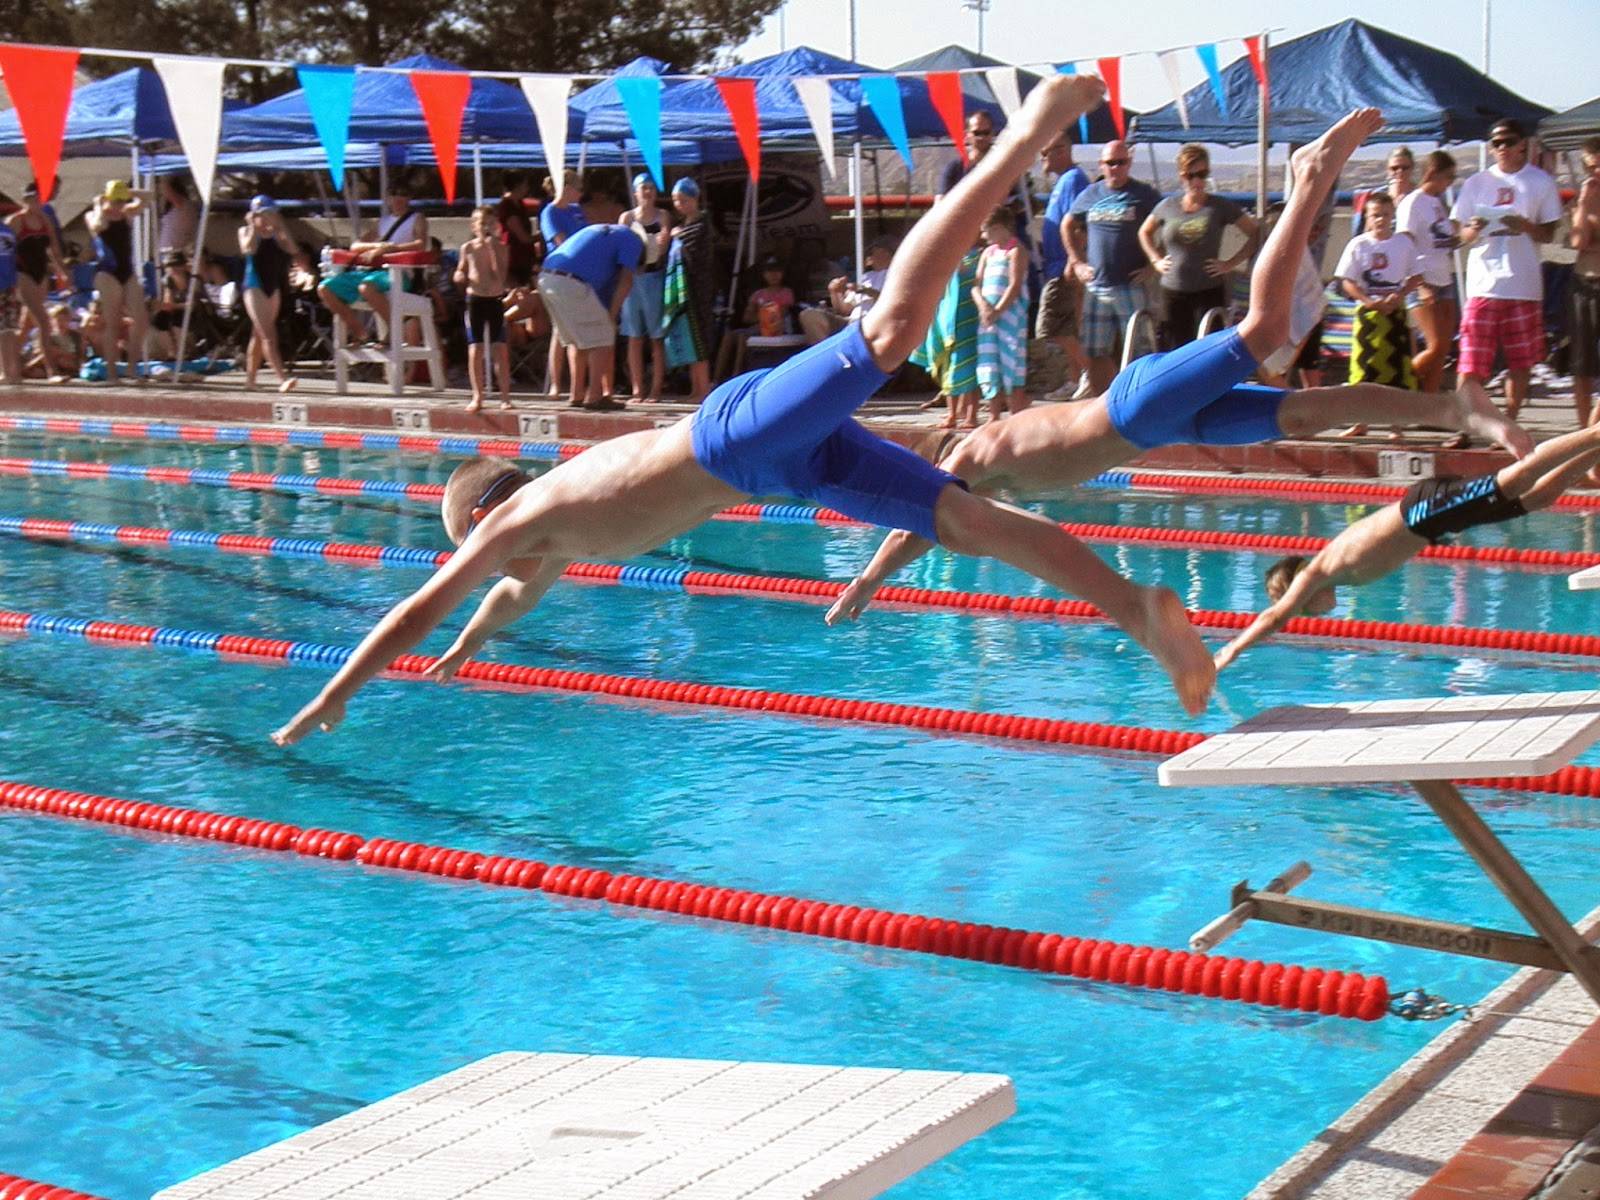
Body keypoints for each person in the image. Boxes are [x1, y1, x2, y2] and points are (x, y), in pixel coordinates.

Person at [269, 75, 1219, 747]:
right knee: (967, 520)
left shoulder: (522, 521)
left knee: (890, 334)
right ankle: (1140, 611)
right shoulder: (539, 554)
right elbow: (483, 613)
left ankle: (1019, 143)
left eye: (464, 548)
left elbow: (417, 609)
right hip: (777, 467)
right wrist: (461, 657)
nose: (476, 571)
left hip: (735, 434)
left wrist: (336, 693)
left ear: (483, 519)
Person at [825, 109, 1536, 628]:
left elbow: (917, 519)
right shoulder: (990, 466)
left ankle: (1309, 179)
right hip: (1154, 420)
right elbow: (929, 517)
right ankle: (1451, 409)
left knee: (1263, 328)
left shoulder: (977, 450)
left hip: (1136, 406)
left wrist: (866, 579)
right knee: (1302, 412)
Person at [1215, 419, 1600, 670]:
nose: (1302, 614)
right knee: (1534, 498)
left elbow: (1273, 617)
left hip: (1425, 511)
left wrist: (1229, 651)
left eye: (1296, 606)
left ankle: (1595, 435)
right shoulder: (1332, 571)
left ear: (1294, 585)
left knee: (1517, 479)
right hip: (1433, 521)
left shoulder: (1316, 572)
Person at [1450, 117, 1562, 422]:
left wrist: (1523, 225)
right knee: (1471, 362)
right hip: (1483, 283)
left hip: (1522, 284)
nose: (1502, 148)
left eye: (1508, 141)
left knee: (1520, 361)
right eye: (1496, 142)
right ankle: (1467, 424)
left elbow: (1549, 234)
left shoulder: (1540, 182)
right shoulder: (1476, 183)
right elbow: (1459, 236)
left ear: (1522, 144)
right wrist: (1474, 229)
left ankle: (1509, 420)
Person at [1138, 143, 1257, 350]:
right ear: (1181, 176)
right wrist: (1156, 260)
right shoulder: (1167, 207)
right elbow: (1144, 232)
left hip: (1208, 290)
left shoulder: (1219, 206)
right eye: (1189, 176)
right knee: (1173, 348)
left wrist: (1230, 263)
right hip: (1173, 290)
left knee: (1208, 349)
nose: (1196, 181)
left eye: (1201, 174)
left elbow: (1254, 233)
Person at [1068, 140, 1162, 394]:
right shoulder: (1091, 194)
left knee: (1140, 348)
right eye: (1110, 163)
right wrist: (1076, 261)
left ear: (1129, 164)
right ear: (1102, 164)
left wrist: (1153, 265)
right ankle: (1102, 403)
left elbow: (1164, 226)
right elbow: (1067, 224)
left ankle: (1140, 400)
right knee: (1096, 350)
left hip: (1130, 284)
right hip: (1097, 286)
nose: (1115, 168)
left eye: (1121, 162)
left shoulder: (1143, 194)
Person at [536, 223, 641, 412]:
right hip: (571, 281)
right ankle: (594, 396)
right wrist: (612, 316)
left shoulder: (608, 233)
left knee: (577, 339)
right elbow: (626, 279)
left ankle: (576, 394)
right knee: (603, 336)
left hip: (547, 276)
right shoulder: (633, 241)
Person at [1333, 191, 1420, 397]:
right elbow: (1347, 281)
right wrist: (1367, 301)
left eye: (1386, 214)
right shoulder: (1358, 245)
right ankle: (1359, 421)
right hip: (1368, 315)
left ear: (1392, 216)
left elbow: (1416, 277)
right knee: (1363, 367)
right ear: (1368, 217)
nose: (1381, 219)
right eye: (1375, 215)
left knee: (1397, 368)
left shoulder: (1404, 243)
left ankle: (1396, 425)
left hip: (1395, 312)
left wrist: (1399, 295)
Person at [318, 183, 428, 344]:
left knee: (366, 287)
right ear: (388, 198)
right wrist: (379, 247)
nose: (398, 198)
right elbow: (356, 246)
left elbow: (420, 244)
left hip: (399, 273)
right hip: (372, 271)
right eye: (394, 194)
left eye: (403, 194)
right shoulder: (382, 221)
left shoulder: (417, 219)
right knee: (325, 288)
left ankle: (394, 332)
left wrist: (392, 248)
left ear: (409, 198)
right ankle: (359, 331)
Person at [1396, 150, 1461, 395]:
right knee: (1434, 346)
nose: (1450, 184)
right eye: (1449, 177)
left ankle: (1429, 400)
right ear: (1433, 173)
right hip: (1424, 279)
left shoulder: (1438, 204)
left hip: (1444, 277)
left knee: (1443, 348)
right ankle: (1395, 389)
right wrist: (1420, 284)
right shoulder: (1413, 203)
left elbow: (1442, 241)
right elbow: (1406, 244)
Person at [1036, 129, 1091, 400]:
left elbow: (1080, 223)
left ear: (1062, 151)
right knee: (1067, 327)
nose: (1042, 158)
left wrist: (1074, 258)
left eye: (1045, 153)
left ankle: (1092, 373)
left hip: (1065, 267)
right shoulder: (1062, 183)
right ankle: (1074, 379)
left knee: (1051, 327)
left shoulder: (1074, 180)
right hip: (1055, 264)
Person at [87, 180, 152, 383]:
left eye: (120, 201)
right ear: (107, 199)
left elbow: (148, 197)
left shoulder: (127, 213)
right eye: (115, 201)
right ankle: (112, 372)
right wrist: (99, 205)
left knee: (141, 320)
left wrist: (128, 191)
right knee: (113, 323)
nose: (118, 205)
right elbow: (98, 226)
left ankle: (132, 368)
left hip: (128, 271)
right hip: (107, 273)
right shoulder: (94, 214)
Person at [238, 196, 301, 394]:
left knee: (258, 336)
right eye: (264, 215)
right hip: (254, 288)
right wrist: (253, 226)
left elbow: (293, 249)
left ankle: (250, 380)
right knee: (269, 336)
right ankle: (282, 379)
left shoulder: (276, 234)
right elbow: (248, 249)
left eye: (271, 214)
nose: (268, 219)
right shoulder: (245, 231)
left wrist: (281, 226)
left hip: (272, 288)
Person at [619, 173, 672, 403]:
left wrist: (664, 241)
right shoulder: (627, 218)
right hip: (632, 282)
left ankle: (656, 391)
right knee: (634, 338)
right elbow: (619, 251)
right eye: (644, 188)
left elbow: (664, 249)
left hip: (654, 279)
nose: (648, 192)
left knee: (656, 338)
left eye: (651, 188)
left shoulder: (663, 216)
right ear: (635, 192)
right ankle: (637, 390)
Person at [974, 204, 1029, 422]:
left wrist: (998, 310)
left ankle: (1015, 416)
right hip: (988, 319)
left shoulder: (1017, 251)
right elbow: (976, 284)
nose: (983, 236)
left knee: (1011, 362)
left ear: (997, 227)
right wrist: (983, 307)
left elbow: (1014, 285)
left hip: (1010, 318)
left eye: (985, 230)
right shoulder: (987, 253)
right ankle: (994, 416)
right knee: (989, 364)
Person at [454, 205, 512, 414]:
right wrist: (459, 276)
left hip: (494, 299)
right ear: (474, 226)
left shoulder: (502, 248)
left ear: (496, 225)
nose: (485, 227)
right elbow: (461, 269)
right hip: (475, 300)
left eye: (489, 223)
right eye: (481, 223)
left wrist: (492, 248)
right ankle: (477, 395)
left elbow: (500, 276)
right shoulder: (468, 248)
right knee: (475, 349)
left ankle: (504, 395)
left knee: (500, 349)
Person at [664, 177, 715, 401]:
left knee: (699, 338)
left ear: (694, 199)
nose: (679, 205)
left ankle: (703, 388)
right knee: (690, 339)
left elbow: (692, 249)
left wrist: (677, 237)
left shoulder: (702, 224)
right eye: (676, 200)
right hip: (685, 289)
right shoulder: (684, 226)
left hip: (698, 288)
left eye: (683, 200)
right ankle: (695, 388)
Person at [538, 169, 587, 401]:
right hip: (559, 273)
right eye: (578, 189)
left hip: (579, 274)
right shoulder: (550, 212)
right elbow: (561, 243)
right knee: (562, 331)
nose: (581, 194)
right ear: (567, 189)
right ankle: (557, 384)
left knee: (568, 331)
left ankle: (573, 384)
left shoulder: (576, 212)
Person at [799, 237, 893, 344]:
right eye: (874, 253)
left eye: (883, 252)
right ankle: (829, 356)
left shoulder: (894, 274)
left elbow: (890, 300)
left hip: (873, 323)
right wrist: (835, 292)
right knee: (808, 315)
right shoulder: (865, 277)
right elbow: (843, 310)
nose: (877, 256)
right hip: (852, 323)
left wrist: (864, 290)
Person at [715, 255, 796, 381]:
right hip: (757, 327)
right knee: (729, 335)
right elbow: (747, 317)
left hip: (779, 328)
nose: (774, 275)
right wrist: (763, 315)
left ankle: (736, 375)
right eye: (769, 271)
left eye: (777, 271)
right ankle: (716, 378)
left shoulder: (786, 293)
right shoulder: (758, 294)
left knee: (743, 337)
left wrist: (762, 314)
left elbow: (781, 314)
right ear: (763, 274)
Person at [8, 181, 63, 362]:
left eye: (38, 200)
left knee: (26, 326)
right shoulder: (16, 221)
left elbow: (53, 250)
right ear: (25, 201)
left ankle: (8, 364)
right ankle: (51, 370)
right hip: (23, 274)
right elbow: (5, 251)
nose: (35, 204)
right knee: (44, 322)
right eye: (31, 200)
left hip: (41, 275)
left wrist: (63, 271)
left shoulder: (45, 221)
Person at [1568, 138, 1600, 427]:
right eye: (1591, 167)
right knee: (1583, 364)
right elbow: (1578, 241)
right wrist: (1583, 204)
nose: (1597, 172)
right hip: (1586, 283)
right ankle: (1583, 431)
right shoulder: (1588, 197)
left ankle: (1594, 427)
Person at [25, 302, 80, 381]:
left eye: (64, 320)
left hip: (68, 362)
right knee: (39, 369)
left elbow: (78, 355)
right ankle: (31, 369)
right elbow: (37, 351)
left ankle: (28, 368)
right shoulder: (46, 335)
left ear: (69, 320)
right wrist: (54, 352)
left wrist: (60, 352)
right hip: (50, 361)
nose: (61, 323)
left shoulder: (75, 336)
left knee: (61, 360)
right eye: (58, 320)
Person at [157, 176, 198, 258]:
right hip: (169, 251)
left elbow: (166, 190)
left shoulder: (183, 205)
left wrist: (163, 178)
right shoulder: (181, 208)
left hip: (173, 251)